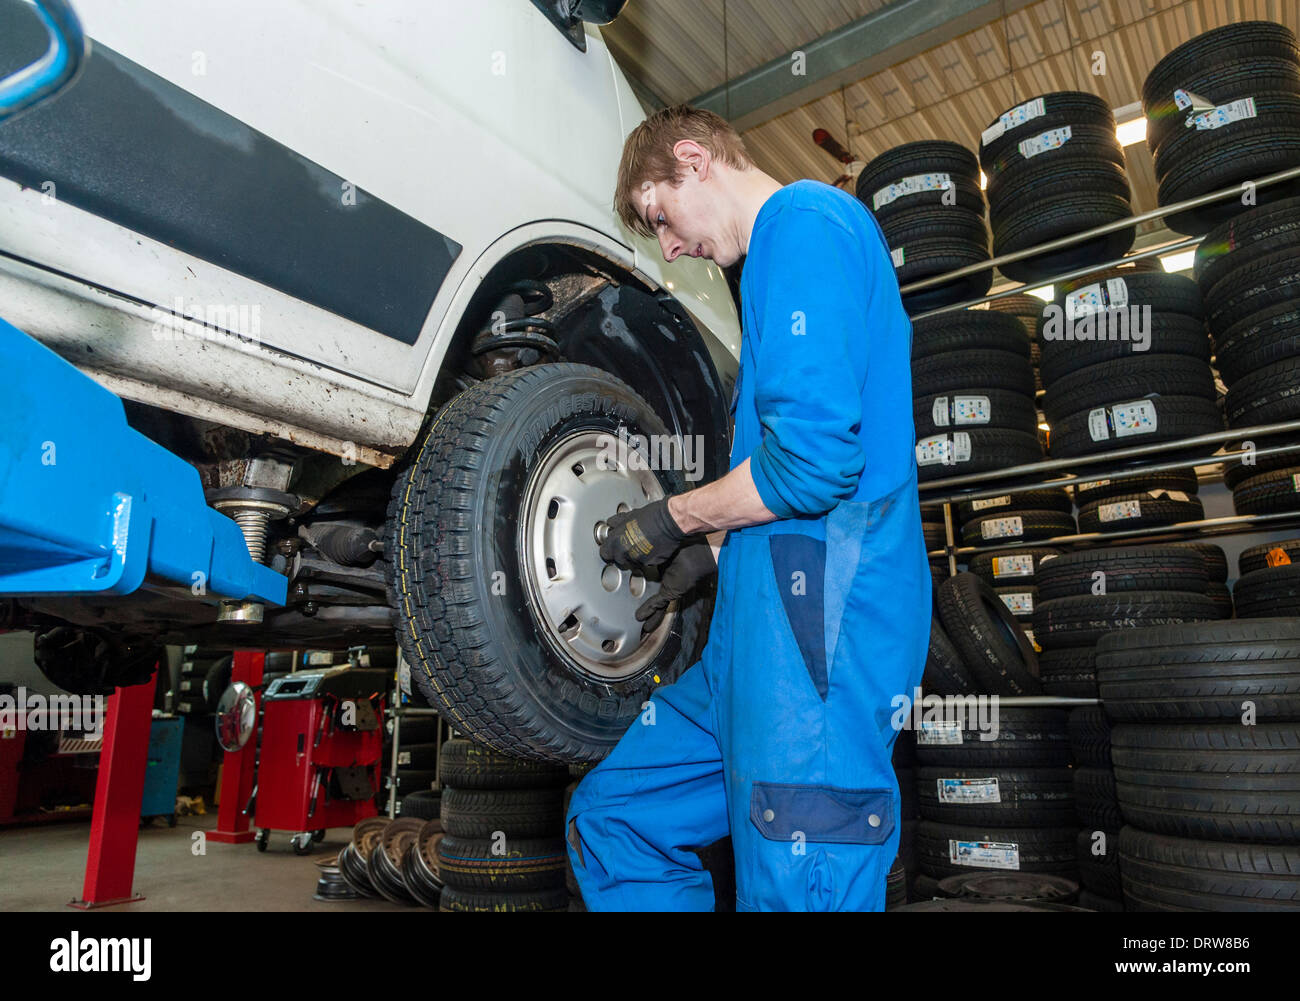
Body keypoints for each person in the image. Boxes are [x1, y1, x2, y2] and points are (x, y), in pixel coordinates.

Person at [565, 104, 930, 911]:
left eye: (659, 217)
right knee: (616, 817)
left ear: (694, 159)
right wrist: (713, 549)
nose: (669, 247)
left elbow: (812, 464)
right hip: (751, 643)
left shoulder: (804, 221)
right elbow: (776, 474)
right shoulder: (768, 269)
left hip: (820, 634)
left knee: (801, 875)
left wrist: (672, 519)